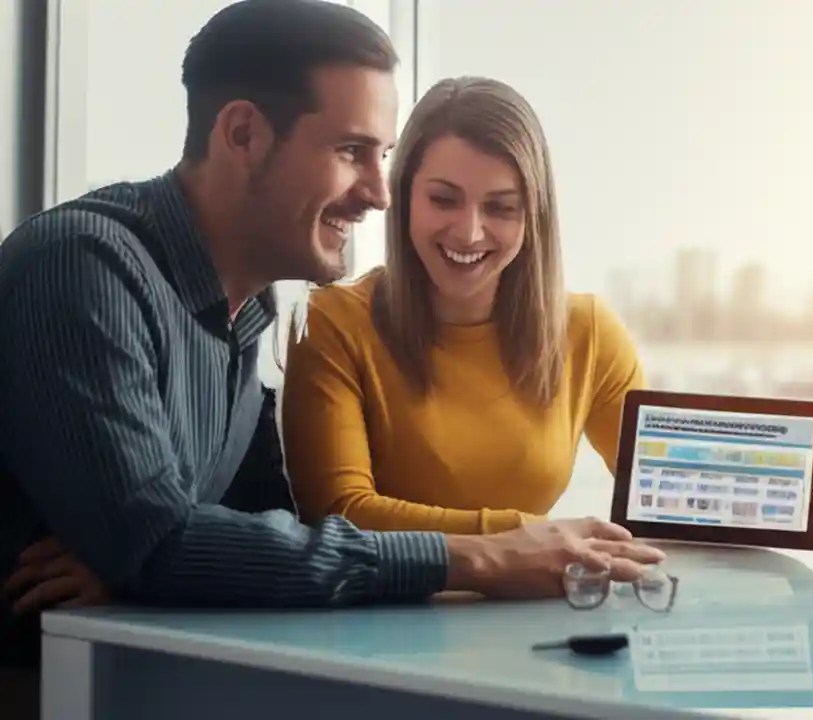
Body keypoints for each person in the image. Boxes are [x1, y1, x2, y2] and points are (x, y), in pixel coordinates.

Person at [0, 0, 664, 694]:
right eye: (353, 152)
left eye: (382, 157)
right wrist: (483, 557)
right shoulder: (82, 268)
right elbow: (167, 542)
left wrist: (149, 559)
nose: (379, 193)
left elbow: (259, 522)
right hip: (45, 684)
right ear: (244, 134)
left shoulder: (244, 304)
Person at [279, 76, 813, 534]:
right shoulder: (334, 324)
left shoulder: (587, 332)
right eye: (443, 199)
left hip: (531, 627)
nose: (469, 232)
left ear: (535, 217)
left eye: (501, 207)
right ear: (402, 195)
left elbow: (671, 492)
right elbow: (341, 514)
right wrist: (529, 538)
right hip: (377, 635)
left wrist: (795, 482)